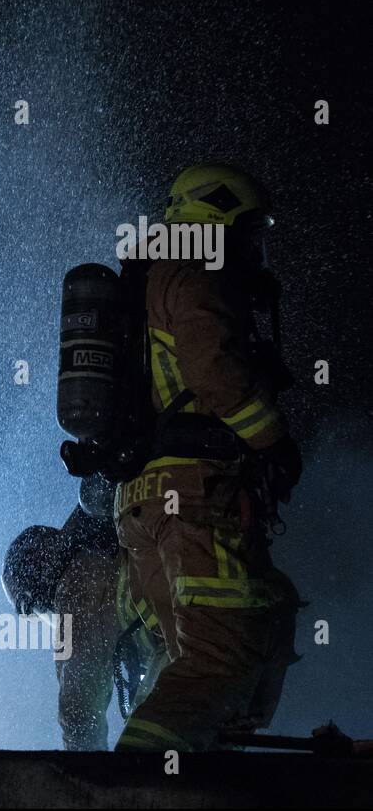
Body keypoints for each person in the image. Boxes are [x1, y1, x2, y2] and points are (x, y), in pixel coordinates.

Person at [112, 164, 301, 751]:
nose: (253, 246)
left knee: (206, 658)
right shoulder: (194, 268)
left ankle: (195, 772)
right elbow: (215, 370)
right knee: (216, 664)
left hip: (149, 502)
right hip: (195, 496)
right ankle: (129, 786)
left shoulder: (147, 278)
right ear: (216, 214)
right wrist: (274, 443)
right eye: (248, 229)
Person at [3, 477, 166, 751]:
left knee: (141, 753)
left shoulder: (75, 583)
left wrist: (85, 779)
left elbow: (78, 704)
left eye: (40, 609)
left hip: (185, 644)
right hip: (203, 634)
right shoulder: (106, 549)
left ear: (39, 589)